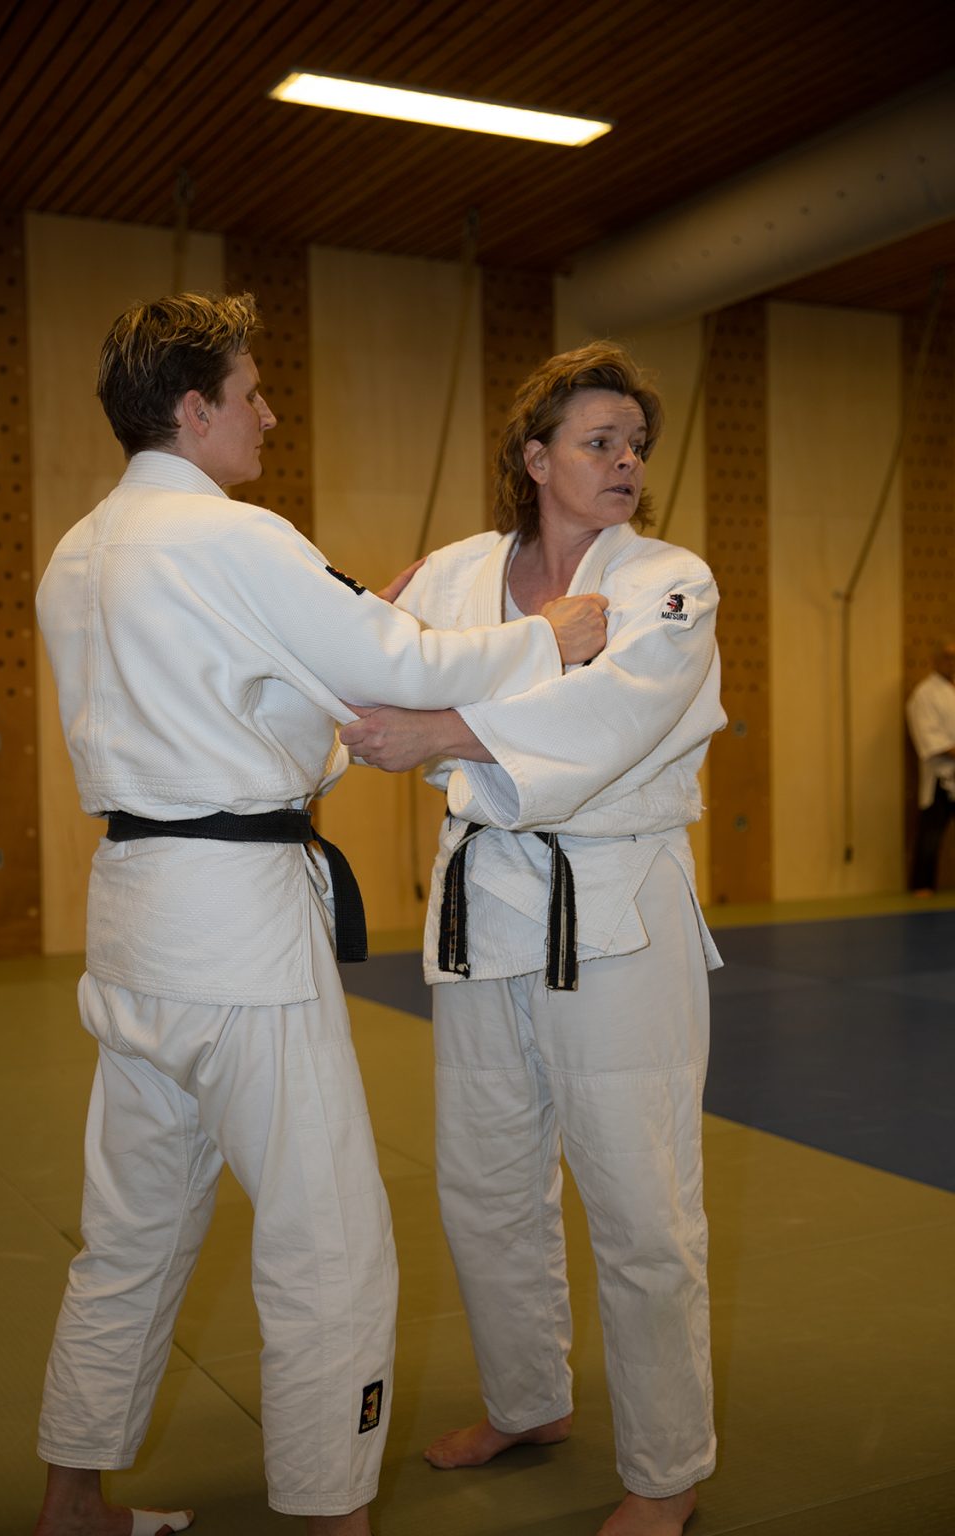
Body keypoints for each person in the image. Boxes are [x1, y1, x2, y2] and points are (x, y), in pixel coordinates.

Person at [31, 293, 610, 1536]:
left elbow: (264, 722)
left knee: (130, 1229)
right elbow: (396, 667)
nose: (268, 413)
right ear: (193, 410)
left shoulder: (78, 552)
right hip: (238, 934)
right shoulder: (233, 537)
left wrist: (357, 634)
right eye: (250, 393)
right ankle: (331, 1516)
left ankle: (70, 1498)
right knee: (327, 1239)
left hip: (135, 924)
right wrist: (542, 642)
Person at [341, 341, 727, 1536]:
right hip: (482, 908)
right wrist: (363, 615)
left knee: (640, 1204)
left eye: (634, 444)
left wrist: (442, 726)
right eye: (598, 440)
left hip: (615, 910)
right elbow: (362, 664)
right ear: (534, 457)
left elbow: (606, 718)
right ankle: (526, 1401)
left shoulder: (669, 580)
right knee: (485, 1182)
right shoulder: (456, 573)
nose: (625, 461)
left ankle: (667, 1472)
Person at [906, 638, 955, 895]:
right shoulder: (924, 695)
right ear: (936, 661)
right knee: (931, 833)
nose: (952, 663)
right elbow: (930, 739)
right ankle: (922, 885)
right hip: (940, 774)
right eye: (948, 657)